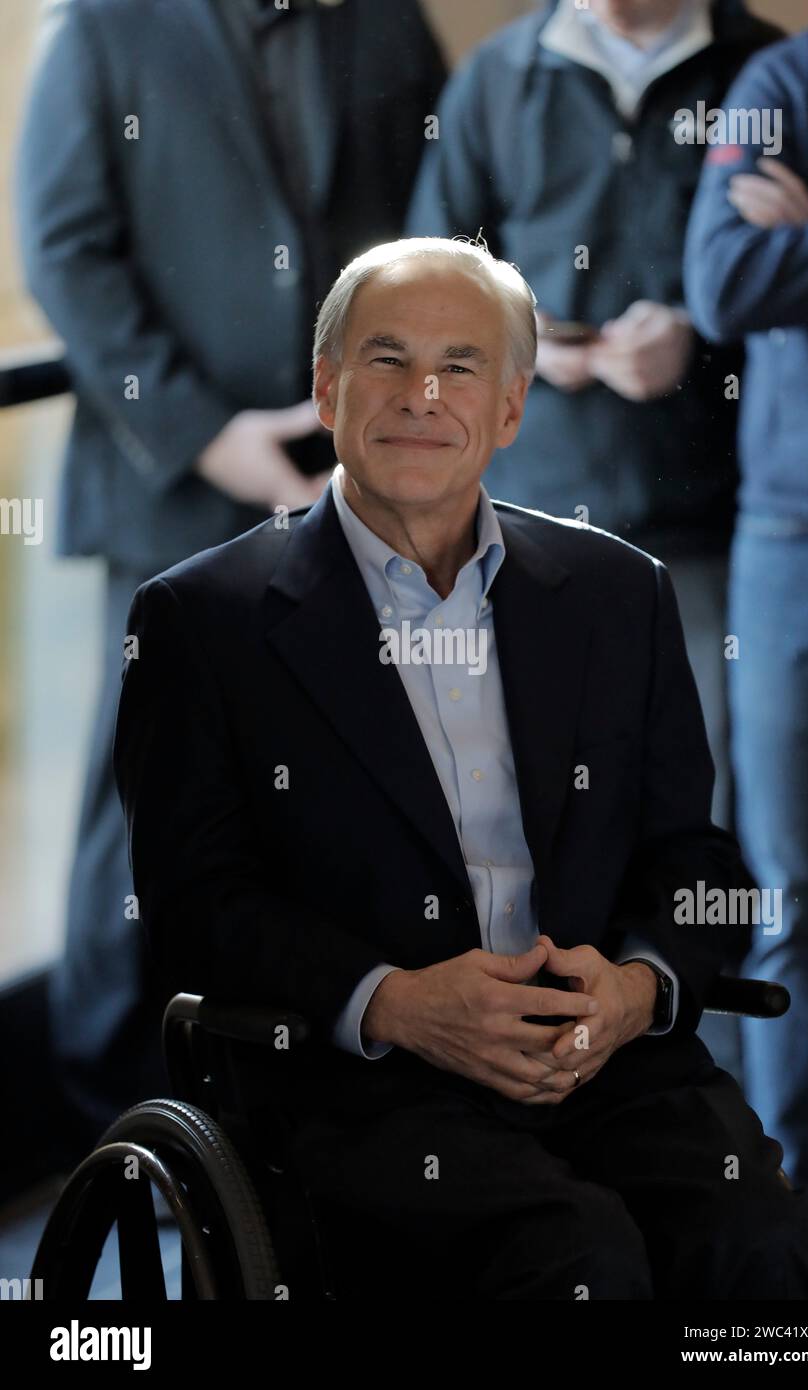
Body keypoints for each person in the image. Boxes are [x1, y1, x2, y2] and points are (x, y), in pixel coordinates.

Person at [113, 237, 808, 1299]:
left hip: (602, 1058)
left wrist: (635, 989)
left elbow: (694, 859)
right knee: (575, 1257)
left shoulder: (616, 593)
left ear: (509, 409)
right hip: (357, 1084)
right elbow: (193, 908)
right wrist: (396, 1003)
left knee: (759, 1252)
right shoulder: (198, 620)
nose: (421, 397)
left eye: (460, 367)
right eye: (386, 360)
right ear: (325, 387)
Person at [14, 0, 445, 1139]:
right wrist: (208, 433)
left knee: (323, 804)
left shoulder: (388, 21)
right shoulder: (100, 27)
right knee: (145, 814)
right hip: (173, 487)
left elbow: (435, 230)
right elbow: (63, 247)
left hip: (350, 483)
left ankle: (278, 1118)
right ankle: (123, 1124)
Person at [406, 0, 782, 839]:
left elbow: (802, 289)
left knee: (703, 800)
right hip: (525, 518)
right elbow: (425, 286)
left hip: (712, 514)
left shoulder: (765, 71)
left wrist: (697, 334)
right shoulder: (497, 79)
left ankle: (675, 975)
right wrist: (521, 346)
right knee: (532, 808)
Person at [684, 0, 808, 1259]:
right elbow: (721, 279)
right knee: (796, 894)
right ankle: (796, 1223)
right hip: (796, 551)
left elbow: (783, 274)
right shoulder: (777, 81)